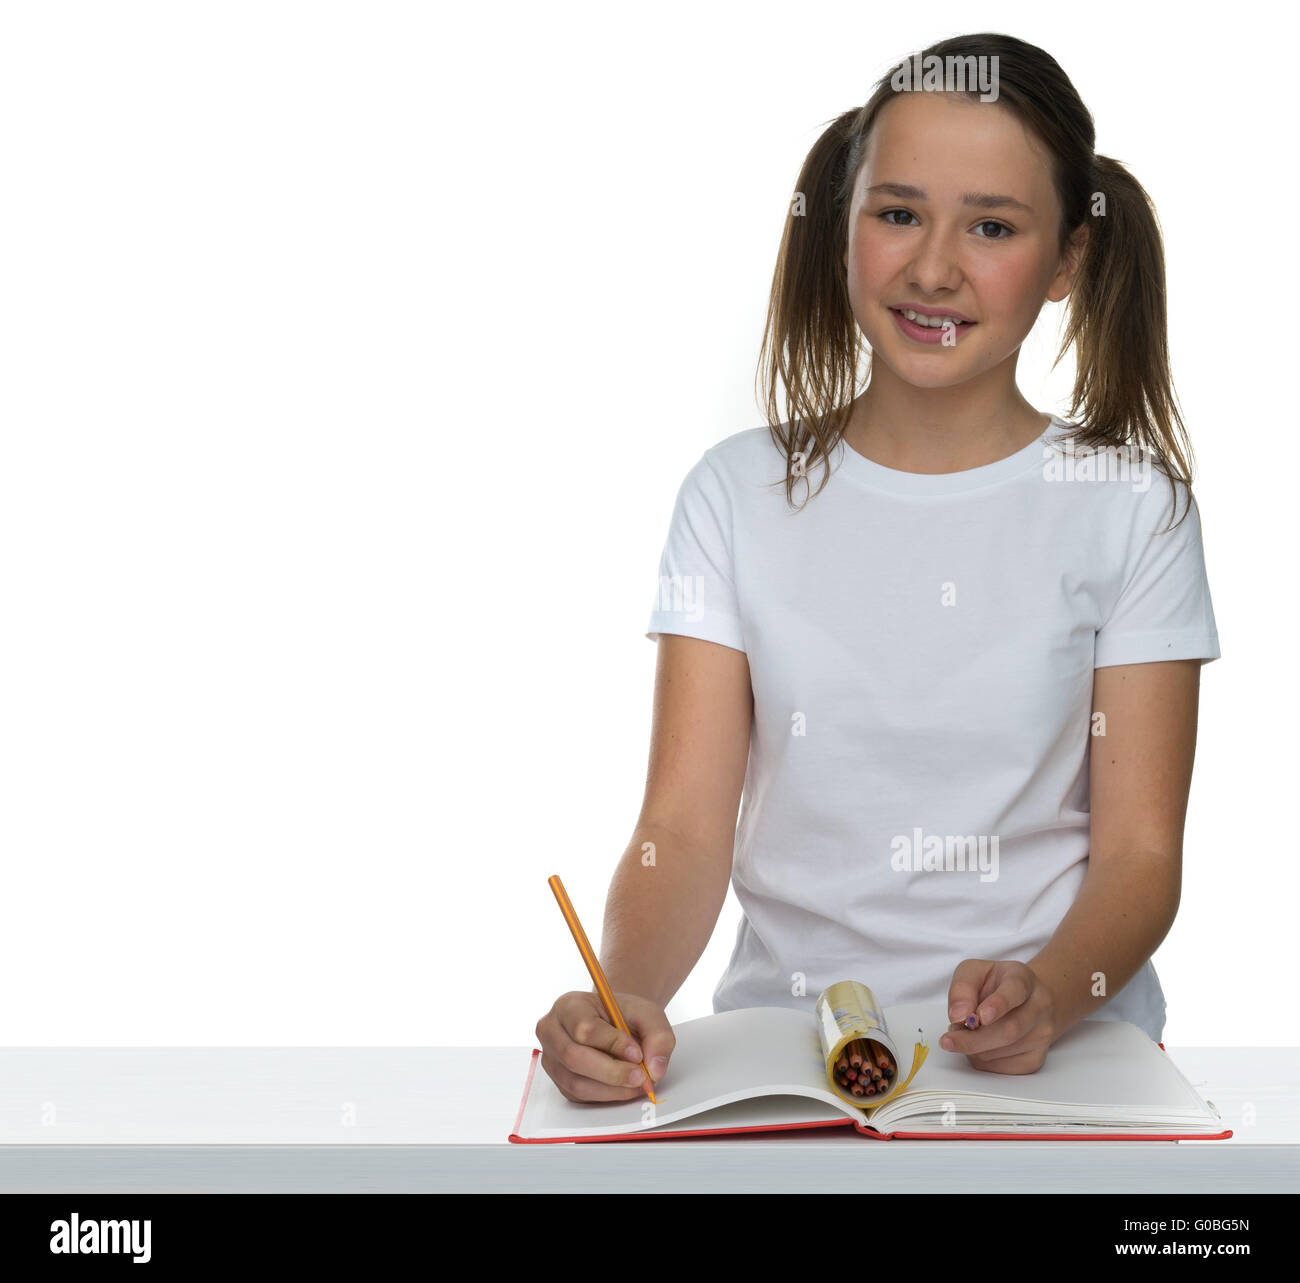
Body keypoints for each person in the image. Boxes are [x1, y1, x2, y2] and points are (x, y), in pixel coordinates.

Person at [534, 31, 1219, 1103]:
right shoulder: (732, 497)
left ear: (1068, 262)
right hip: (786, 1064)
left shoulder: (1131, 509)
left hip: (1063, 1070)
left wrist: (1046, 990)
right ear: (842, 226)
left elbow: (1139, 852)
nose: (933, 266)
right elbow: (681, 827)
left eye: (991, 226)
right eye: (897, 213)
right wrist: (621, 1001)